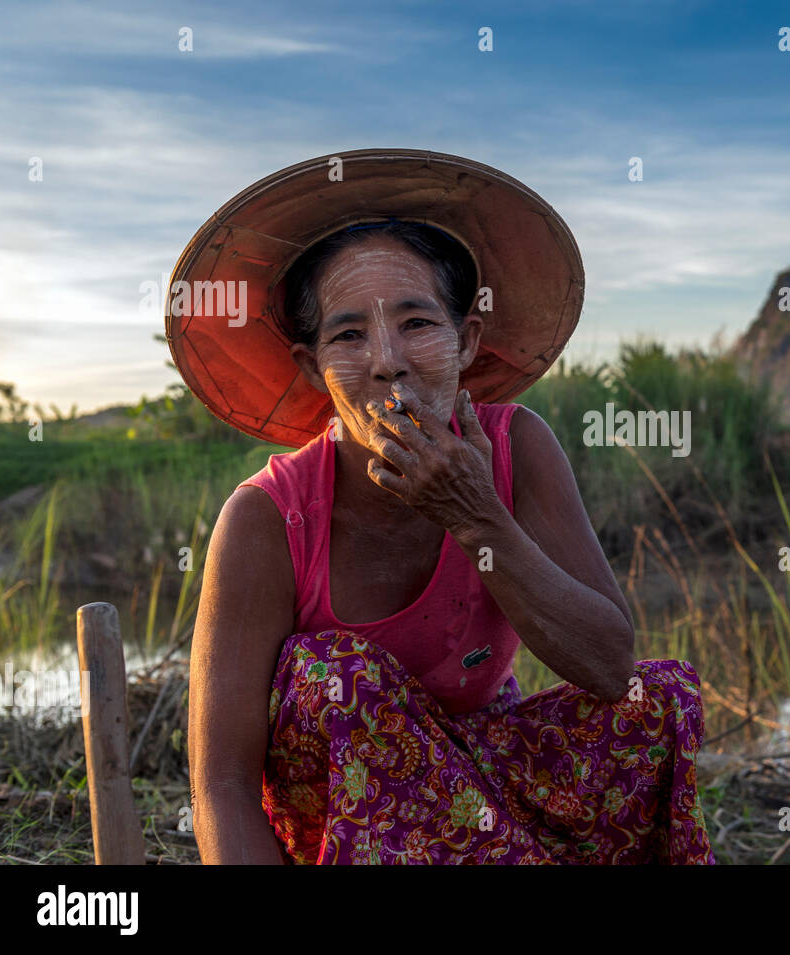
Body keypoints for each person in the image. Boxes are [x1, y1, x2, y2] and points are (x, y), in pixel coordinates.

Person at [177, 149, 716, 864]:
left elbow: (610, 665)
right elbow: (223, 784)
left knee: (657, 703)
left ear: (466, 341)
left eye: (417, 324)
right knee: (335, 674)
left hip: (482, 777)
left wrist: (476, 513)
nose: (387, 361)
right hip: (354, 825)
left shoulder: (517, 447)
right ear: (313, 368)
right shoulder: (266, 519)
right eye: (347, 335)